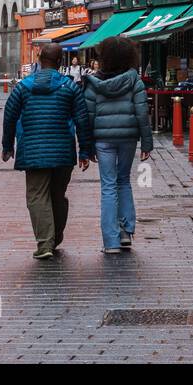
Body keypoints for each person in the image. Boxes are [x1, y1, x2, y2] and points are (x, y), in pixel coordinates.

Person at [2, 43, 93, 260]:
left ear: (39, 60)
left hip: (32, 151)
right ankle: (55, 237)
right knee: (57, 195)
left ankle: (45, 243)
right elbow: (82, 119)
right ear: (60, 62)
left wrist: (7, 146)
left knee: (37, 195)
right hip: (63, 151)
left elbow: (10, 116)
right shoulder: (70, 88)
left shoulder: (23, 87)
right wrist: (85, 151)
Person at [80, 35, 152, 254]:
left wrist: (87, 146)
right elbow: (142, 113)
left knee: (108, 186)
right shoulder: (134, 81)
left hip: (103, 140)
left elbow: (88, 117)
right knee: (124, 181)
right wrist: (146, 143)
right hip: (128, 137)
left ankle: (110, 241)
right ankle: (125, 232)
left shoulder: (93, 84)